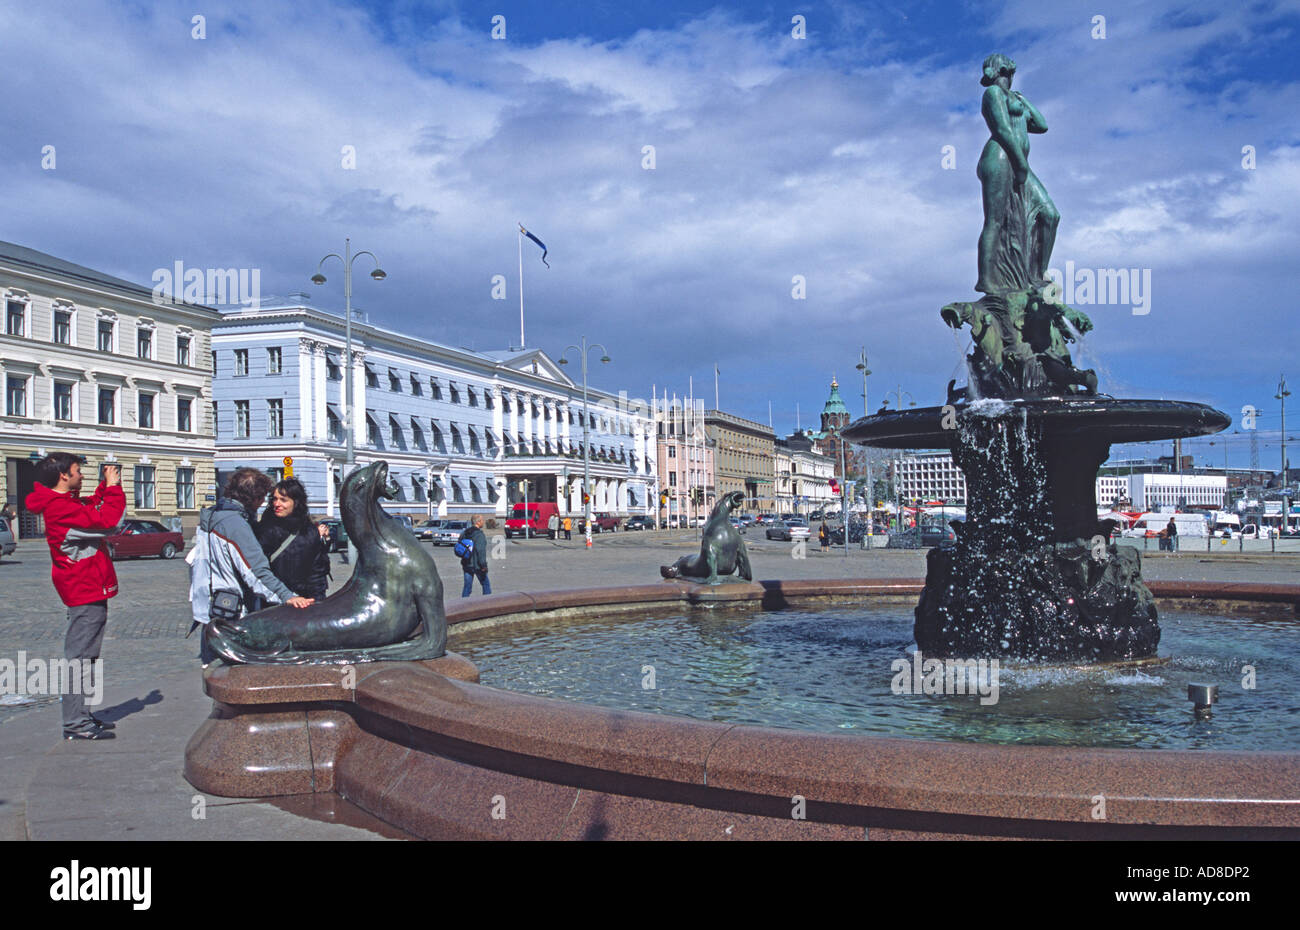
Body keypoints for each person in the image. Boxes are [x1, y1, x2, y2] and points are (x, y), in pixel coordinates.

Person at [25, 453, 124, 740]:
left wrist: (105, 487)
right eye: (77, 471)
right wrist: (114, 489)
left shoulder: (64, 503)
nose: (81, 475)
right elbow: (108, 522)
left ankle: (81, 714)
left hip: (86, 587)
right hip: (84, 590)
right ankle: (75, 723)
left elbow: (92, 508)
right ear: (63, 476)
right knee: (79, 659)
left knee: (86, 657)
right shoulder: (59, 509)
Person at [189, 468, 313, 665]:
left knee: (213, 671)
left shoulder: (214, 515)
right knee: (232, 675)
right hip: (232, 614)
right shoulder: (234, 524)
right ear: (253, 497)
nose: (265, 503)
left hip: (210, 609)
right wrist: (287, 596)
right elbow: (256, 572)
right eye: (263, 497)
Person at [254, 478, 331, 602]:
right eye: (274, 499)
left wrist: (318, 602)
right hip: (271, 601)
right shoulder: (264, 529)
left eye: (283, 500)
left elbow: (317, 572)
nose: (277, 504)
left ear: (296, 502)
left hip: (303, 602)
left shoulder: (309, 531)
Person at [458, 514, 491, 597]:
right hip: (477, 565)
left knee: (467, 587)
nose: (483, 522)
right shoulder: (479, 535)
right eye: (482, 520)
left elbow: (460, 546)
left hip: (466, 564)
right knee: (486, 585)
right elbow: (480, 551)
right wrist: (483, 565)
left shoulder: (465, 533)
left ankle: (463, 604)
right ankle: (488, 604)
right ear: (478, 522)